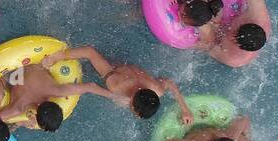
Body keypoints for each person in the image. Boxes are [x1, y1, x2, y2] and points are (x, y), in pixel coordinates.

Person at [48, 44, 193, 123]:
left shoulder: (158, 89)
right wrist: (58, 56)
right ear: (132, 103)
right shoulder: (116, 84)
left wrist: (185, 109)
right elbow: (89, 52)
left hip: (127, 66)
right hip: (115, 68)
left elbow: (169, 83)